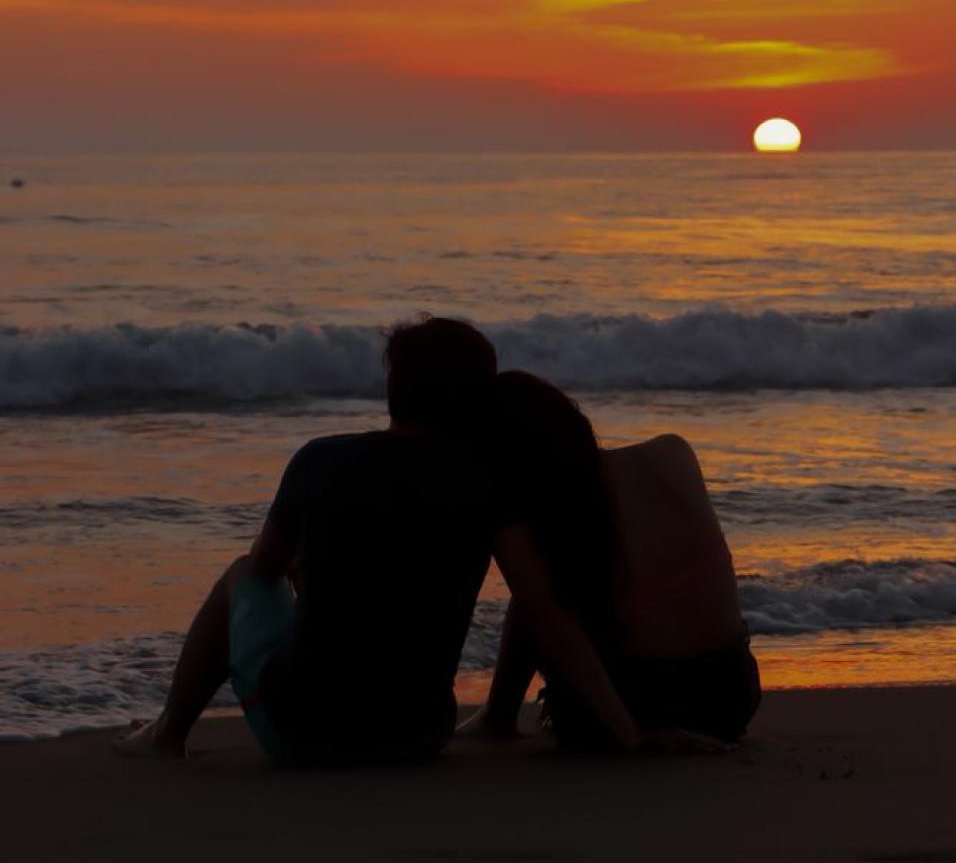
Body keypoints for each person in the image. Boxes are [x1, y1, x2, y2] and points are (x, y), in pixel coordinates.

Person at [116, 317, 645, 764]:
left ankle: (168, 733)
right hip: (417, 737)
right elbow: (543, 609)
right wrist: (630, 737)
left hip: (301, 735)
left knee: (241, 575)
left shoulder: (320, 460)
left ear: (395, 387)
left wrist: (312, 567)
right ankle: (499, 719)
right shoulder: (487, 484)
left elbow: (266, 565)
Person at [469, 372, 761, 752]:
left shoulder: (528, 517)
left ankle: (498, 716)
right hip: (730, 697)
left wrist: (631, 739)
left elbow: (553, 623)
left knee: (538, 590)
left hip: (633, 706)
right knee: (543, 583)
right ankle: (497, 715)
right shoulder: (673, 451)